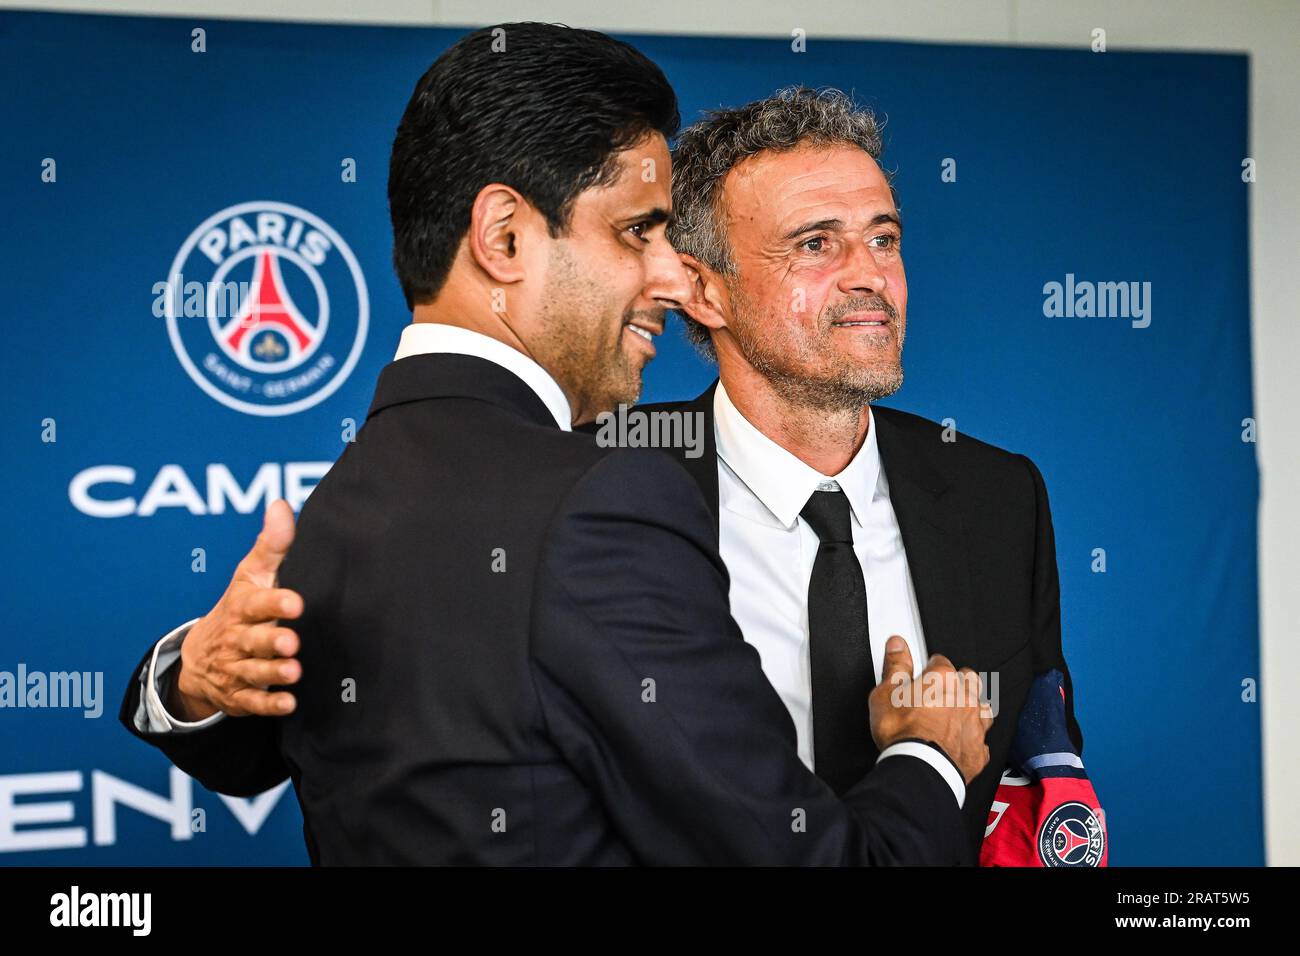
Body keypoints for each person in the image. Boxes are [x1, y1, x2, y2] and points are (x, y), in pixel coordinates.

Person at [120, 24, 988, 865]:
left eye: (883, 237)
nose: (668, 275)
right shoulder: (607, 500)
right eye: (635, 232)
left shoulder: (350, 495)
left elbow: (261, 728)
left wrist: (184, 680)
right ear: (504, 238)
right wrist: (929, 756)